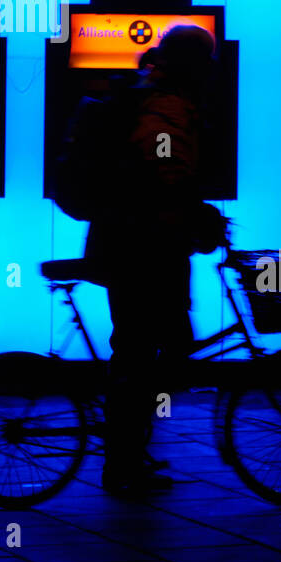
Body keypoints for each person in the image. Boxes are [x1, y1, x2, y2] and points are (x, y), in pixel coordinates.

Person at [84, 25, 216, 495]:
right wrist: (194, 207)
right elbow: (161, 161)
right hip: (143, 249)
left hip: (139, 245)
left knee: (148, 350)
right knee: (144, 353)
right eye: (207, 60)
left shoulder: (153, 92)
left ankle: (128, 451)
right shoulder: (164, 103)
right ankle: (120, 462)